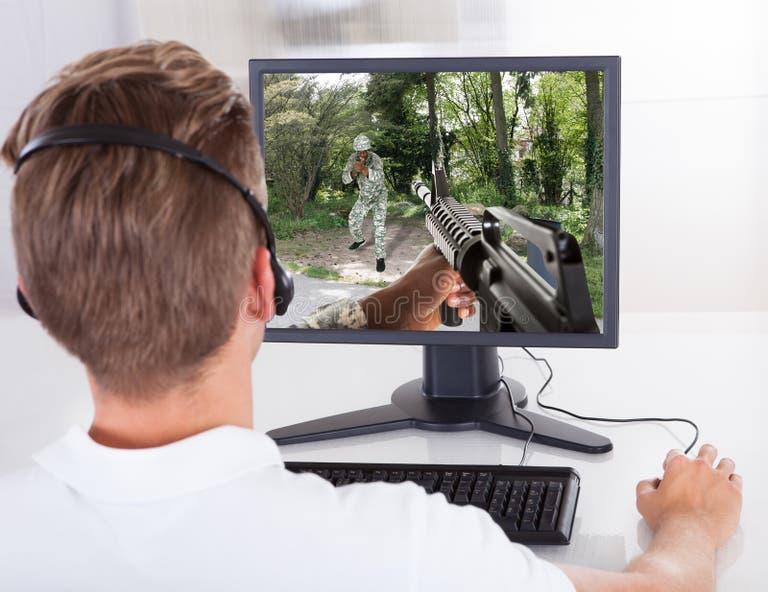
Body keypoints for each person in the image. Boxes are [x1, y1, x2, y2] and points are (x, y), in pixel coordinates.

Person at [0, 41, 742, 592]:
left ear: (36, 295)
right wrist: (693, 523)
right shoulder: (403, 550)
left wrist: (412, 294)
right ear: (266, 282)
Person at [342, 134, 388, 273]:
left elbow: (380, 178)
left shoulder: (375, 158)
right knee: (352, 220)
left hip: (379, 196)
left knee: (379, 228)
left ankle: (380, 258)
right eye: (359, 151)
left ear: (368, 149)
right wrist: (354, 172)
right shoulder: (352, 159)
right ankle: (359, 240)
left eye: (364, 151)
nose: (362, 154)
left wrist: (364, 170)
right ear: (356, 151)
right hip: (364, 198)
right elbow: (345, 179)